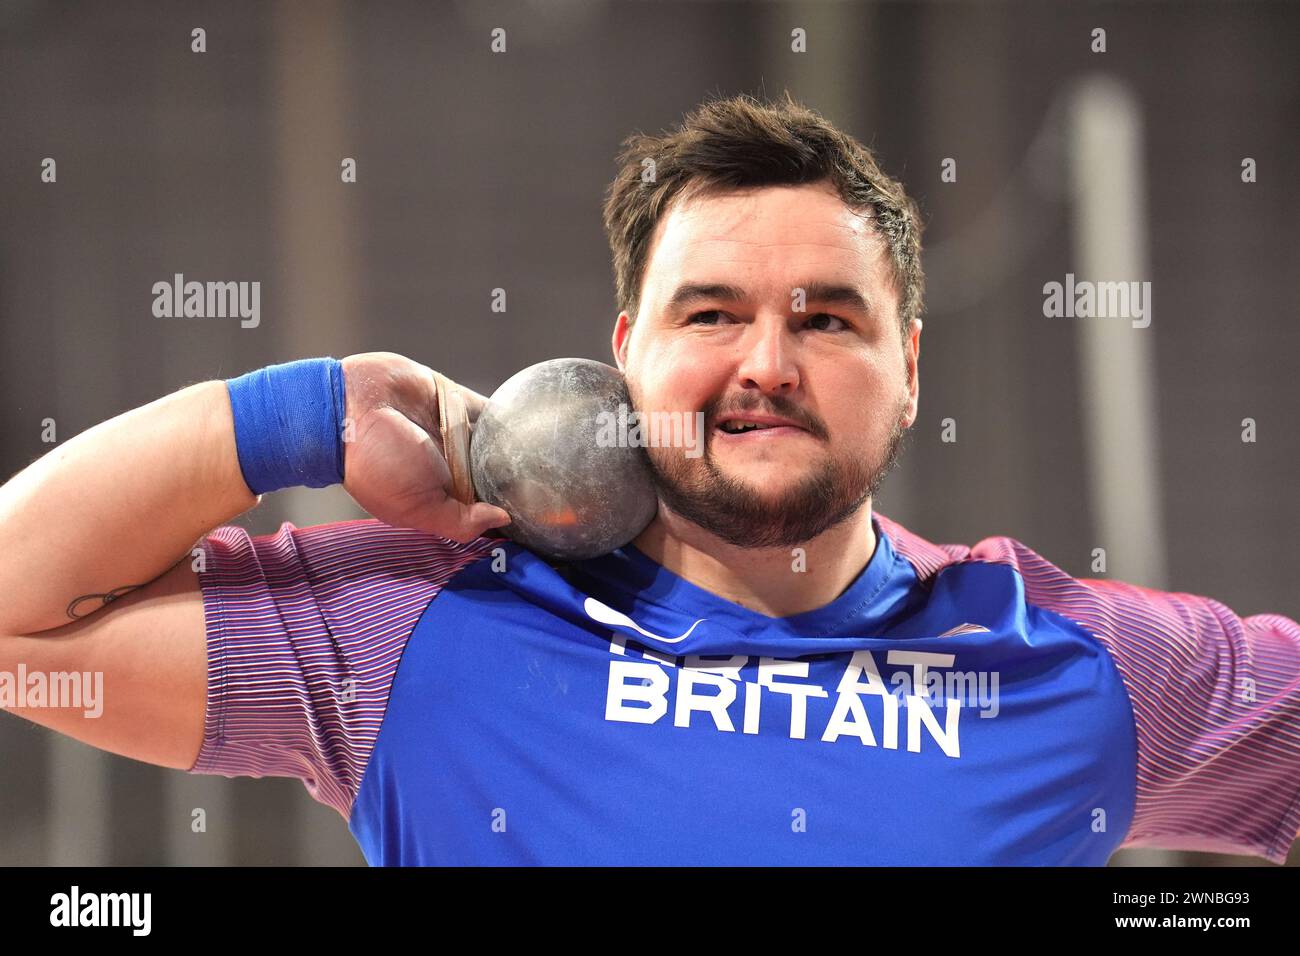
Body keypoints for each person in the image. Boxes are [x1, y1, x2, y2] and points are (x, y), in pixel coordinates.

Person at [1, 93, 1296, 865]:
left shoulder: (1073, 671)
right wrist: (309, 415)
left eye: (829, 320)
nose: (768, 365)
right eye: (713, 313)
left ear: (908, 367)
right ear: (625, 354)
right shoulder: (429, 623)